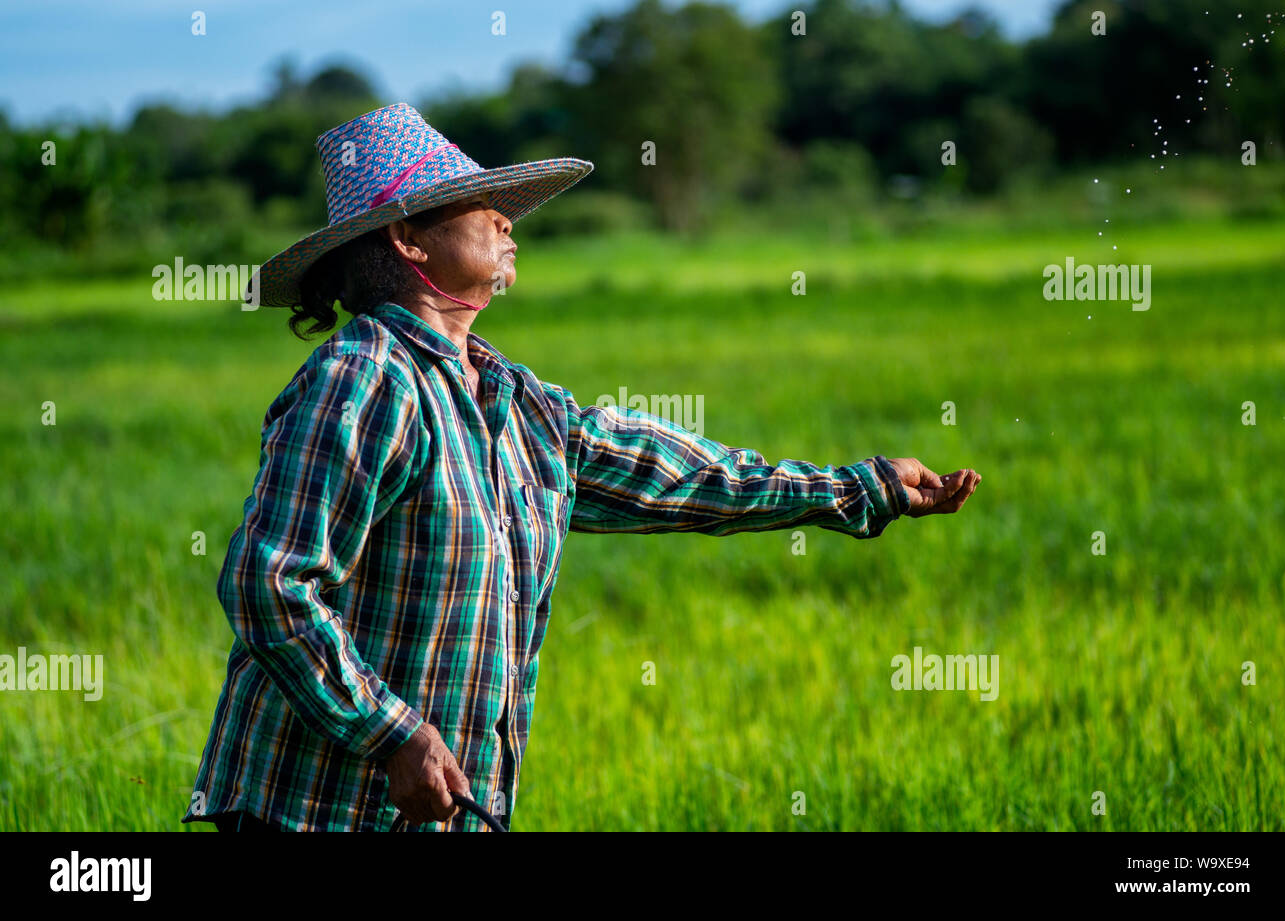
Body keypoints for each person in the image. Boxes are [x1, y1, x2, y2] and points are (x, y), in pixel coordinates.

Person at [183, 103, 981, 833]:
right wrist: (393, 735)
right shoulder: (363, 378)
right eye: (477, 205)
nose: (505, 219)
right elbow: (270, 584)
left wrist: (859, 488)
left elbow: (682, 477)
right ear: (407, 238)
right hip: (306, 814)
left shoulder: (518, 404)